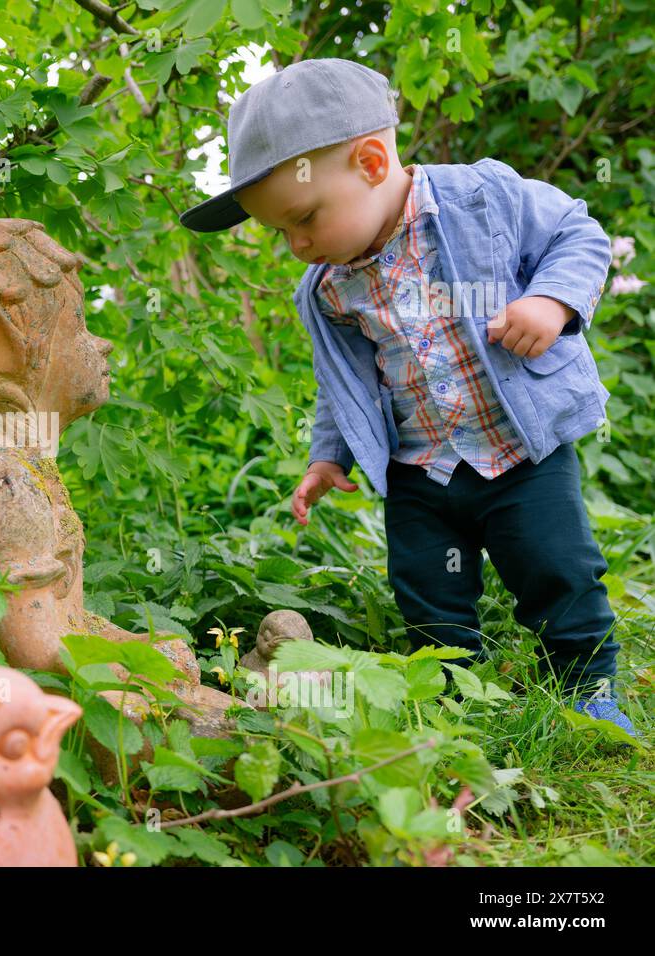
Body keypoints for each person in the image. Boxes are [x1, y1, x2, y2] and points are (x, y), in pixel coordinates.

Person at [179, 57, 640, 739]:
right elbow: (347, 384)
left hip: (520, 453)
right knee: (427, 588)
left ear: (370, 161)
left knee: (558, 568)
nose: (296, 244)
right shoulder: (330, 288)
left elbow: (578, 233)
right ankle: (455, 693)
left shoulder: (483, 198)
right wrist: (326, 456)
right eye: (280, 232)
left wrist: (551, 301)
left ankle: (586, 684)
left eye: (303, 218)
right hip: (421, 471)